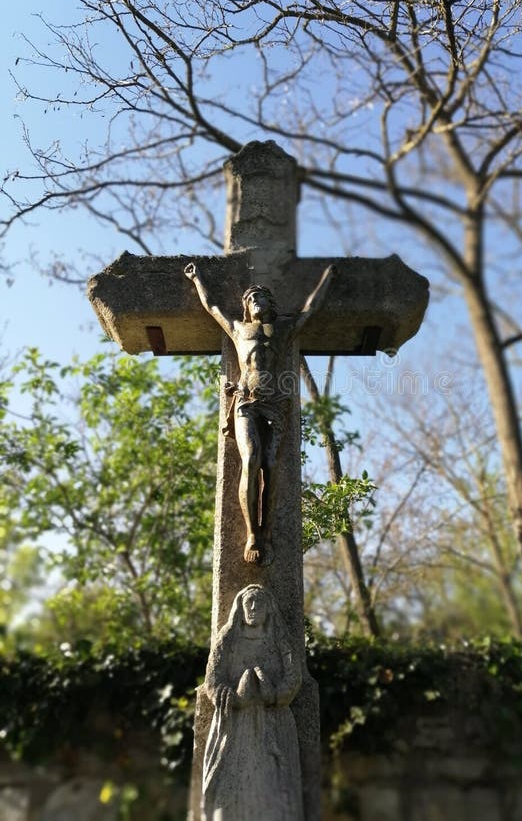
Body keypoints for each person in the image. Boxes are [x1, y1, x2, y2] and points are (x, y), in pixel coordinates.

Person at [184, 262, 336, 565]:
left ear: (270, 304)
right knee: (251, 459)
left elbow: (310, 309)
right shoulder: (239, 330)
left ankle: (267, 532)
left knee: (270, 464)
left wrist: (328, 278)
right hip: (246, 401)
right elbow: (213, 306)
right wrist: (197, 278)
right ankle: (252, 533)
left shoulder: (281, 330)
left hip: (276, 401)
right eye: (249, 299)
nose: (253, 302)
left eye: (258, 298)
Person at [201, 585, 303, 821]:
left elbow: (293, 677)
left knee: (271, 785)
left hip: (272, 721)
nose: (254, 607)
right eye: (249, 603)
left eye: (259, 603)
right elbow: (213, 679)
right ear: (241, 607)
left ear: (269, 610)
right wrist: (229, 696)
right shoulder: (227, 639)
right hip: (234, 723)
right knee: (229, 793)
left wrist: (274, 694)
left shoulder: (280, 641)